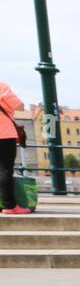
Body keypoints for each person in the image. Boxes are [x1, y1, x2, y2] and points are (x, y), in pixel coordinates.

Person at [0, 79, 27, 216]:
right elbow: (19, 106)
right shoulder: (1, 86)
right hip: (3, 133)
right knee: (5, 169)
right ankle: (9, 206)